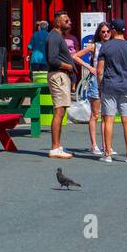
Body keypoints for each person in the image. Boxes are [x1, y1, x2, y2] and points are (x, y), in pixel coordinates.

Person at [96, 18, 127, 162]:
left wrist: (100, 86)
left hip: (109, 85)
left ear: (113, 30)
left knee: (108, 120)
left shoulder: (106, 47)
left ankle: (107, 154)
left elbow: (99, 71)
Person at [46, 11, 76, 159]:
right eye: (66, 20)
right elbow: (52, 59)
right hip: (58, 75)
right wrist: (68, 66)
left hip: (61, 75)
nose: (69, 22)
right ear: (58, 22)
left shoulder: (58, 37)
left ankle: (57, 146)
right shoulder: (54, 37)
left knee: (61, 111)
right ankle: (55, 148)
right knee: (59, 111)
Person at [70, 24, 102, 156]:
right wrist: (89, 67)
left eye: (107, 31)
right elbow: (75, 56)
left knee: (107, 115)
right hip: (95, 81)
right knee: (95, 114)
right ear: (99, 33)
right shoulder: (95, 46)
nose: (105, 34)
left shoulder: (112, 45)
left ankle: (107, 145)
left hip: (109, 80)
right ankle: (94, 145)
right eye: (103, 31)